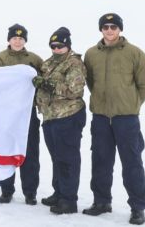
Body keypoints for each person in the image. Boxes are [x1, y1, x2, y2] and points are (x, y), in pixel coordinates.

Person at [82, 13, 145, 225]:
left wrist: (131, 104)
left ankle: (138, 207)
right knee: (101, 161)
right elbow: (90, 82)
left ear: (120, 29)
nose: (110, 30)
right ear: (101, 29)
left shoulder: (135, 53)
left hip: (126, 119)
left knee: (132, 163)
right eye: (106, 26)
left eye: (113, 26)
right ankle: (102, 202)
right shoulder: (91, 54)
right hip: (101, 117)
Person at [34, 27, 86, 215]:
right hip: (50, 117)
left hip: (68, 117)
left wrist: (48, 85)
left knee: (67, 159)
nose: (56, 49)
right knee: (57, 158)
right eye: (53, 46)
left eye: (60, 46)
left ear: (67, 45)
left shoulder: (73, 63)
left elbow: (75, 90)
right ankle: (59, 192)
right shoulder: (49, 63)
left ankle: (69, 200)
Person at [0, 24, 44, 205]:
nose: (18, 41)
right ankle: (6, 190)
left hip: (28, 114)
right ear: (9, 39)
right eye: (14, 38)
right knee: (6, 151)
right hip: (5, 114)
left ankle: (30, 192)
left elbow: (42, 84)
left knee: (30, 154)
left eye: (21, 38)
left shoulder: (35, 59)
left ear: (25, 40)